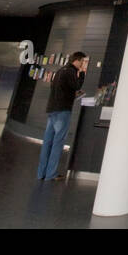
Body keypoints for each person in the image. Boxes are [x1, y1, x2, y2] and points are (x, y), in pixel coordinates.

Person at [37, 52, 87, 180]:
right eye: (82, 61)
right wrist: (82, 74)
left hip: (52, 109)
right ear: (76, 60)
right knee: (58, 142)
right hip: (62, 111)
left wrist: (71, 95)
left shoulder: (60, 71)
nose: (82, 64)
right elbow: (77, 86)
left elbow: (60, 89)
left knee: (47, 142)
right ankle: (51, 174)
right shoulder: (70, 71)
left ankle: (41, 173)